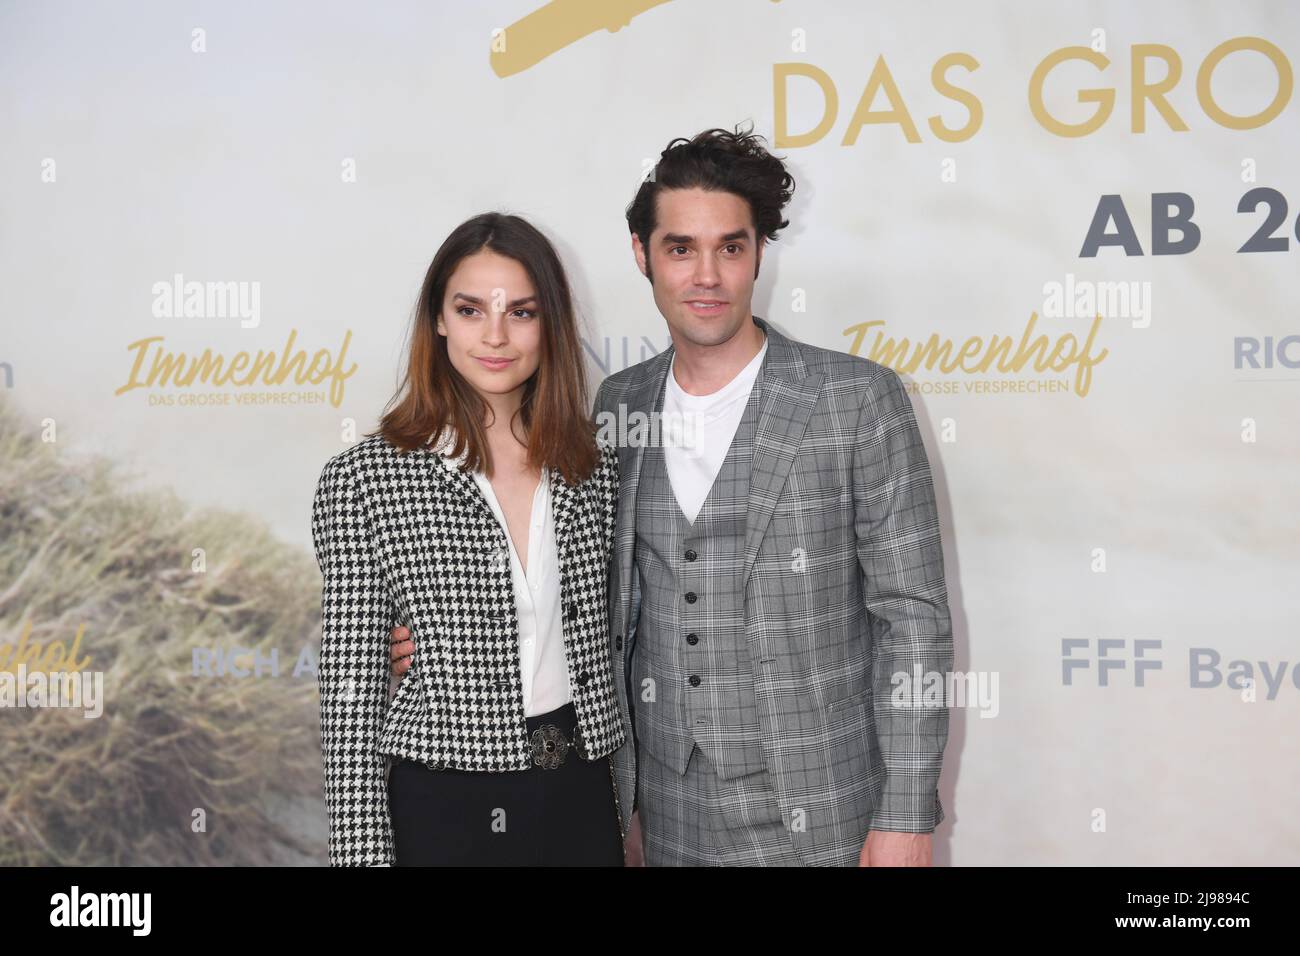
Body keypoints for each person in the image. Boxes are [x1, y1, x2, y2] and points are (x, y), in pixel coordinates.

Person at [392, 124, 954, 866]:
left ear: (759, 253)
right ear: (642, 254)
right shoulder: (610, 412)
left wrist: (908, 815)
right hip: (667, 814)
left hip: (828, 810)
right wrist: (436, 635)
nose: (707, 275)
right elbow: (574, 589)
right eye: (681, 248)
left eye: (731, 247)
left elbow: (913, 620)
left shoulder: (855, 399)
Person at [311, 212, 628, 866]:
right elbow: (351, 694)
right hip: (442, 808)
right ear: (439, 319)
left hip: (581, 795)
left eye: (521, 312)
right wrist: (362, 858)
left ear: (550, 326)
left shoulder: (593, 467)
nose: (495, 335)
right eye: (471, 308)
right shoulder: (366, 479)